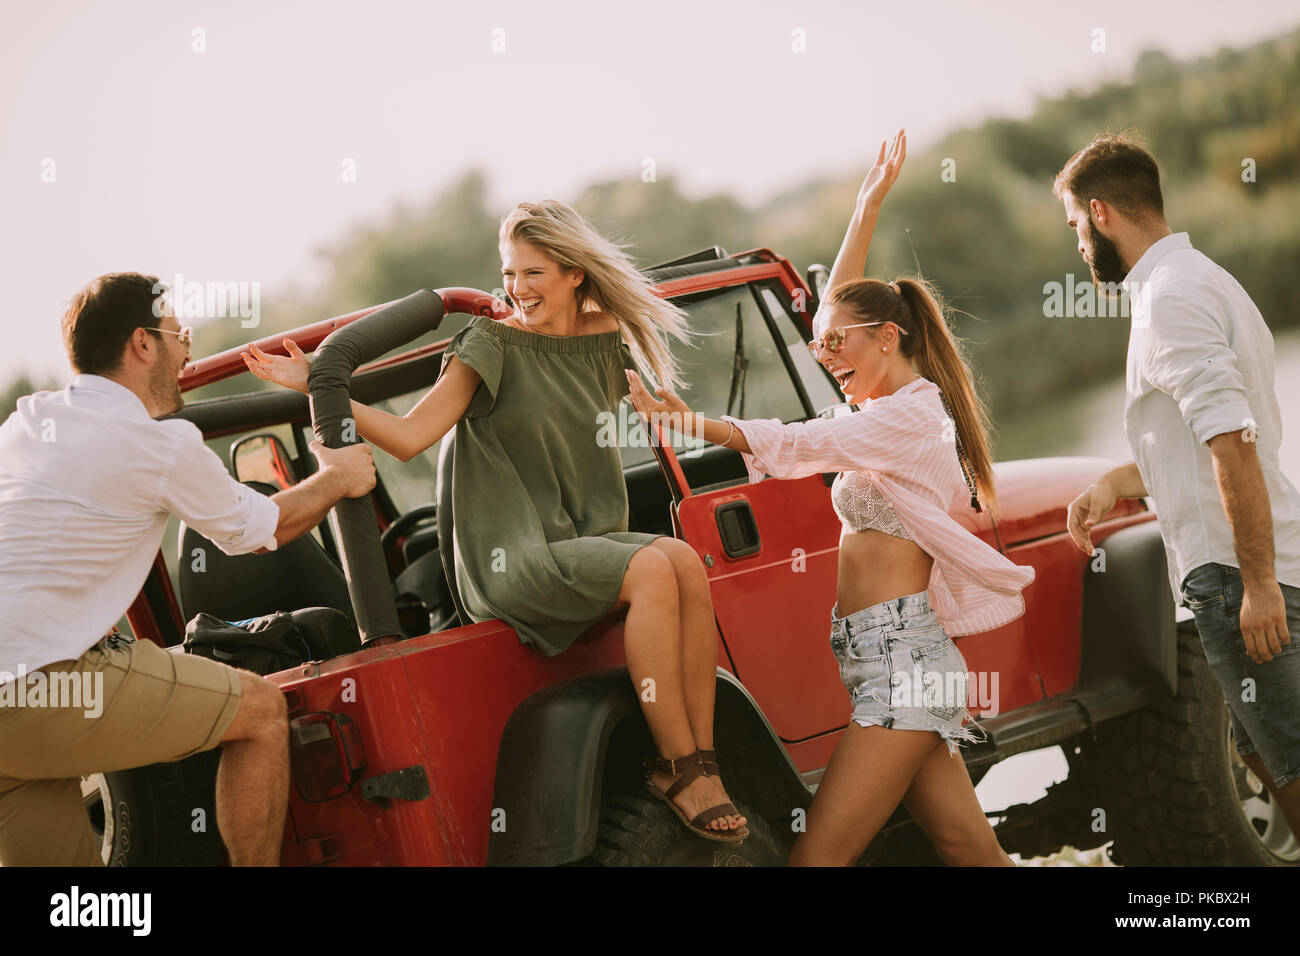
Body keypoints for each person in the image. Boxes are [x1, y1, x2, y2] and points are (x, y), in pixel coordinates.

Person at [242, 200, 750, 842]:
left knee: (683, 561)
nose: (516, 289)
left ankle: (702, 759)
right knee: (653, 568)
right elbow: (407, 437)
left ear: (574, 274)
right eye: (509, 274)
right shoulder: (489, 343)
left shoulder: (604, 336)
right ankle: (677, 767)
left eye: (534, 273)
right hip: (512, 556)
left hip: (582, 537)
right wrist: (319, 380)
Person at [626, 130, 1034, 866]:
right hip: (880, 659)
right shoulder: (877, 407)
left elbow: (794, 443)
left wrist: (677, 416)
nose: (827, 361)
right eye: (819, 350)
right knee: (968, 848)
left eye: (837, 348)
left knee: (816, 859)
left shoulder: (906, 416)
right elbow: (833, 311)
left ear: (886, 338)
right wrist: (865, 206)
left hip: (903, 664)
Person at [0, 272, 377, 866]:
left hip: (19, 716)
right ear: (142, 344)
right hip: (41, 686)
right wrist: (341, 476)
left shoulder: (26, 422)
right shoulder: (156, 443)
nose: (188, 350)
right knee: (259, 711)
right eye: (180, 333)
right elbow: (262, 531)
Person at [1055, 133, 1300, 843]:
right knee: (1263, 750)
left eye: (1074, 225)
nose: (1076, 243)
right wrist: (1116, 483)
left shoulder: (1170, 299)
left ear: (1101, 212)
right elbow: (1204, 445)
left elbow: (1232, 442)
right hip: (1243, 565)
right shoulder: (1201, 279)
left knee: (1288, 762)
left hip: (1238, 573)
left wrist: (1255, 583)